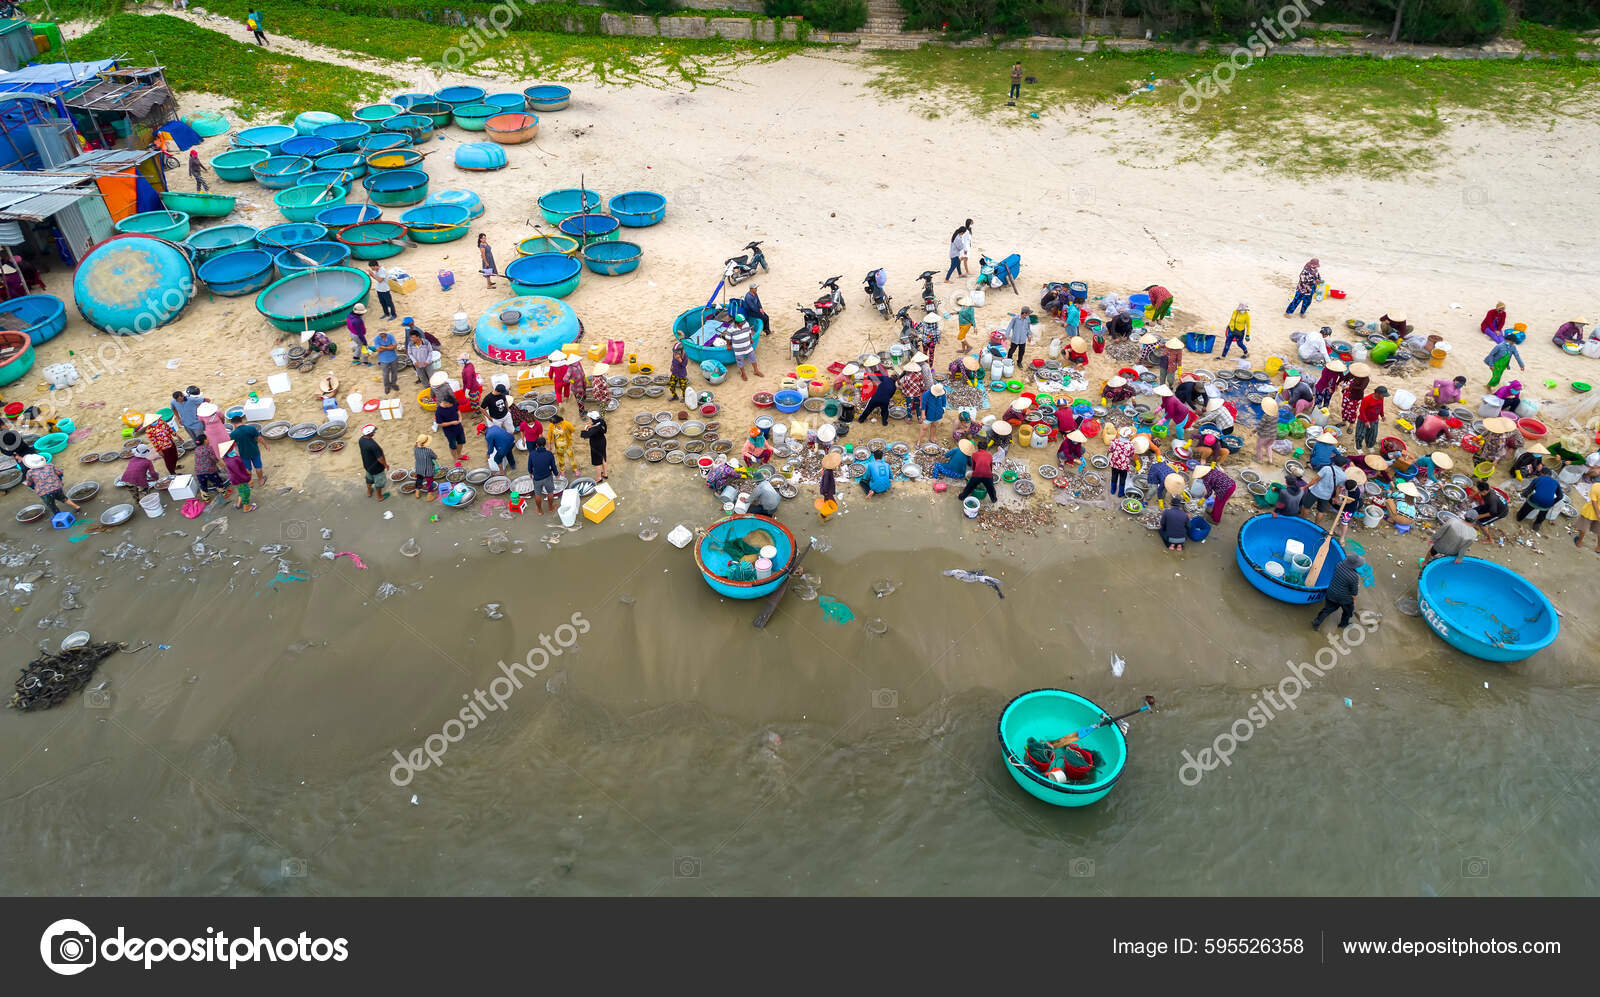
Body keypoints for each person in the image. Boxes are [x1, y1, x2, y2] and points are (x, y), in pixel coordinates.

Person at [1310, 555, 1364, 631]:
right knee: (1348, 612)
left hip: (1331, 592)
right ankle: (1343, 624)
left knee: (1327, 610)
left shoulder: (1339, 565)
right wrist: (1354, 602)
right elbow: (1354, 592)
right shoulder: (1354, 576)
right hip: (1344, 598)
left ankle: (1316, 623)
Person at [1515, 465, 1562, 533]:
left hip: (1535, 500)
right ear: (1551, 475)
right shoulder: (1556, 483)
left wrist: (1523, 495)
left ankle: (1519, 517)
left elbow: (1528, 490)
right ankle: (1537, 525)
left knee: (1527, 506)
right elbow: (1560, 496)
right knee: (1543, 513)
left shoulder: (1537, 479)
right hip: (1547, 503)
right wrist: (1552, 502)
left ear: (1542, 473)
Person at [1308, 456, 1350, 525]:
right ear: (1343, 465)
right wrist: (1336, 497)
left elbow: (1316, 479)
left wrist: (1306, 486)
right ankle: (1316, 525)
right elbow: (1338, 488)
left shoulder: (1326, 468)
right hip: (1326, 496)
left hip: (1315, 491)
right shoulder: (1344, 476)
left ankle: (1301, 519)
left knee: (1306, 507)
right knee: (1321, 511)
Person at [216, 441, 254, 511]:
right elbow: (239, 473)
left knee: (241, 490)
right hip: (240, 479)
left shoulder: (227, 458)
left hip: (235, 479)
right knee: (246, 492)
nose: (234, 448)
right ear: (230, 450)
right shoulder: (233, 460)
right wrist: (248, 479)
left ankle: (238, 504)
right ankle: (246, 508)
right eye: (232, 447)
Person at [228, 413, 264, 484]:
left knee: (247, 469)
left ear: (233, 424)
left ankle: (250, 482)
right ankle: (261, 480)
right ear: (241, 421)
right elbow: (259, 438)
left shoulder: (233, 434)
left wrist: (235, 452)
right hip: (255, 451)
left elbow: (232, 444)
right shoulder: (251, 428)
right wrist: (266, 445)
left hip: (243, 454)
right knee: (258, 466)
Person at [432, 390, 466, 464]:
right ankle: (455, 459)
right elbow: (440, 424)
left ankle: (459, 455)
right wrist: (452, 423)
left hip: (459, 427)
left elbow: (457, 410)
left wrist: (460, 417)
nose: (452, 405)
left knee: (461, 441)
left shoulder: (452, 403)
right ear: (445, 403)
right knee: (453, 445)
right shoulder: (439, 411)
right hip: (449, 431)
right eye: (450, 405)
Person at [527, 438, 559, 514]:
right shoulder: (549, 454)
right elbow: (553, 466)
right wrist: (556, 474)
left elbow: (529, 466)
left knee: (537, 494)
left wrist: (530, 473)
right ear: (545, 444)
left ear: (536, 445)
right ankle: (550, 508)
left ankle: (539, 510)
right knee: (550, 492)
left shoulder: (532, 454)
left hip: (537, 478)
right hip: (547, 476)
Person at [1354, 384, 1388, 450]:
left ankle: (1369, 445)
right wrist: (1366, 421)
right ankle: (1358, 447)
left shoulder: (1381, 398)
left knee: (1373, 435)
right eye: (1383, 395)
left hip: (1374, 420)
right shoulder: (1367, 399)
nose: (1384, 396)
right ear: (1377, 393)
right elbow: (1362, 411)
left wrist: (1382, 415)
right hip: (1363, 420)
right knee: (1360, 435)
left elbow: (1381, 407)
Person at [1574, 476, 1600, 553]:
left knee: (1583, 527)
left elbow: (1594, 502)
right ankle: (1599, 548)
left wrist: (1598, 514)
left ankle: (1579, 542)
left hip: (1590, 512)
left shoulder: (1596, 486)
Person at [916, 381, 946, 447]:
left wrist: (942, 410)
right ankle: (918, 441)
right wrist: (923, 414)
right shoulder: (926, 394)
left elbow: (944, 403)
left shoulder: (942, 394)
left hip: (938, 414)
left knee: (934, 425)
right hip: (928, 414)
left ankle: (931, 438)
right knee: (924, 427)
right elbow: (923, 405)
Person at [1107, 427, 1134, 497]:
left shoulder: (1114, 442)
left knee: (1114, 476)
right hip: (1124, 466)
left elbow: (1110, 450)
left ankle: (1113, 490)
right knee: (1122, 479)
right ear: (1128, 436)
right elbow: (1131, 455)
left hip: (1114, 463)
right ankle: (1120, 493)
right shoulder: (1130, 445)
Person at [581, 410, 608, 481]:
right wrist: (592, 425)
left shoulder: (593, 429)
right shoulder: (602, 421)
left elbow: (584, 435)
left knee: (597, 461)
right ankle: (605, 474)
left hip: (596, 445)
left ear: (592, 419)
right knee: (603, 457)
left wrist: (586, 427)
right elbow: (605, 431)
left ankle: (599, 478)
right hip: (603, 441)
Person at [373, 326, 399, 394]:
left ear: (385, 332)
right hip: (383, 359)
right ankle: (387, 386)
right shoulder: (376, 339)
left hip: (393, 357)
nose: (382, 334)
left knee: (394, 372)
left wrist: (383, 347)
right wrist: (389, 346)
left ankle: (393, 384)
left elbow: (394, 346)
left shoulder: (390, 336)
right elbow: (378, 350)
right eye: (380, 333)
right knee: (385, 374)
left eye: (383, 333)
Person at [1255, 396, 1280, 465]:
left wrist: (1253, 431)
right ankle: (1270, 460)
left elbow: (1260, 426)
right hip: (1273, 434)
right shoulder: (1277, 413)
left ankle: (1260, 460)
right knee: (1268, 446)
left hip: (1264, 435)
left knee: (1259, 447)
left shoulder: (1265, 416)